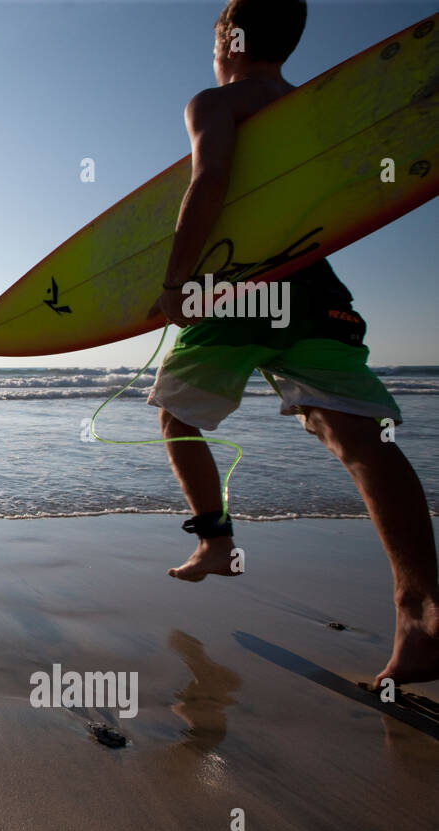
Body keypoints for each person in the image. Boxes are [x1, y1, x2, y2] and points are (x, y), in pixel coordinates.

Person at [148, 0, 437, 689]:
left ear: (229, 41)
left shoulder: (216, 101)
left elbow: (210, 179)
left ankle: (216, 541)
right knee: (363, 440)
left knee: (177, 415)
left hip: (239, 291)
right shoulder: (319, 109)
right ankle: (422, 612)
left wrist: (176, 282)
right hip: (314, 290)